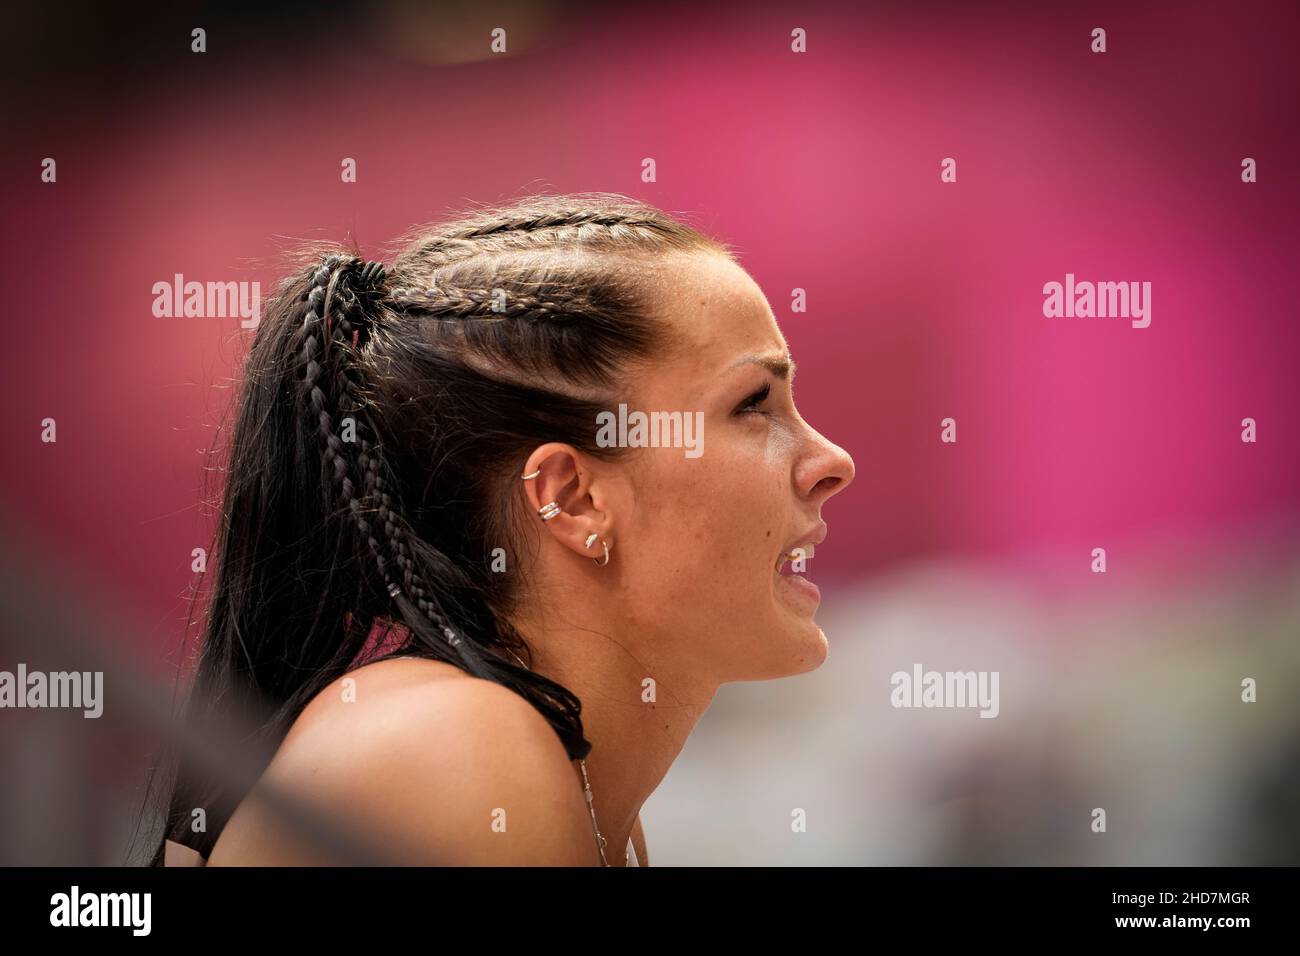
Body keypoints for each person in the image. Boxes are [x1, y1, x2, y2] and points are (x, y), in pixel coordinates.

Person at [146, 192, 855, 866]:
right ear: (572, 500)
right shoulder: (461, 750)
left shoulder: (548, 766)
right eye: (753, 406)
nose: (833, 462)